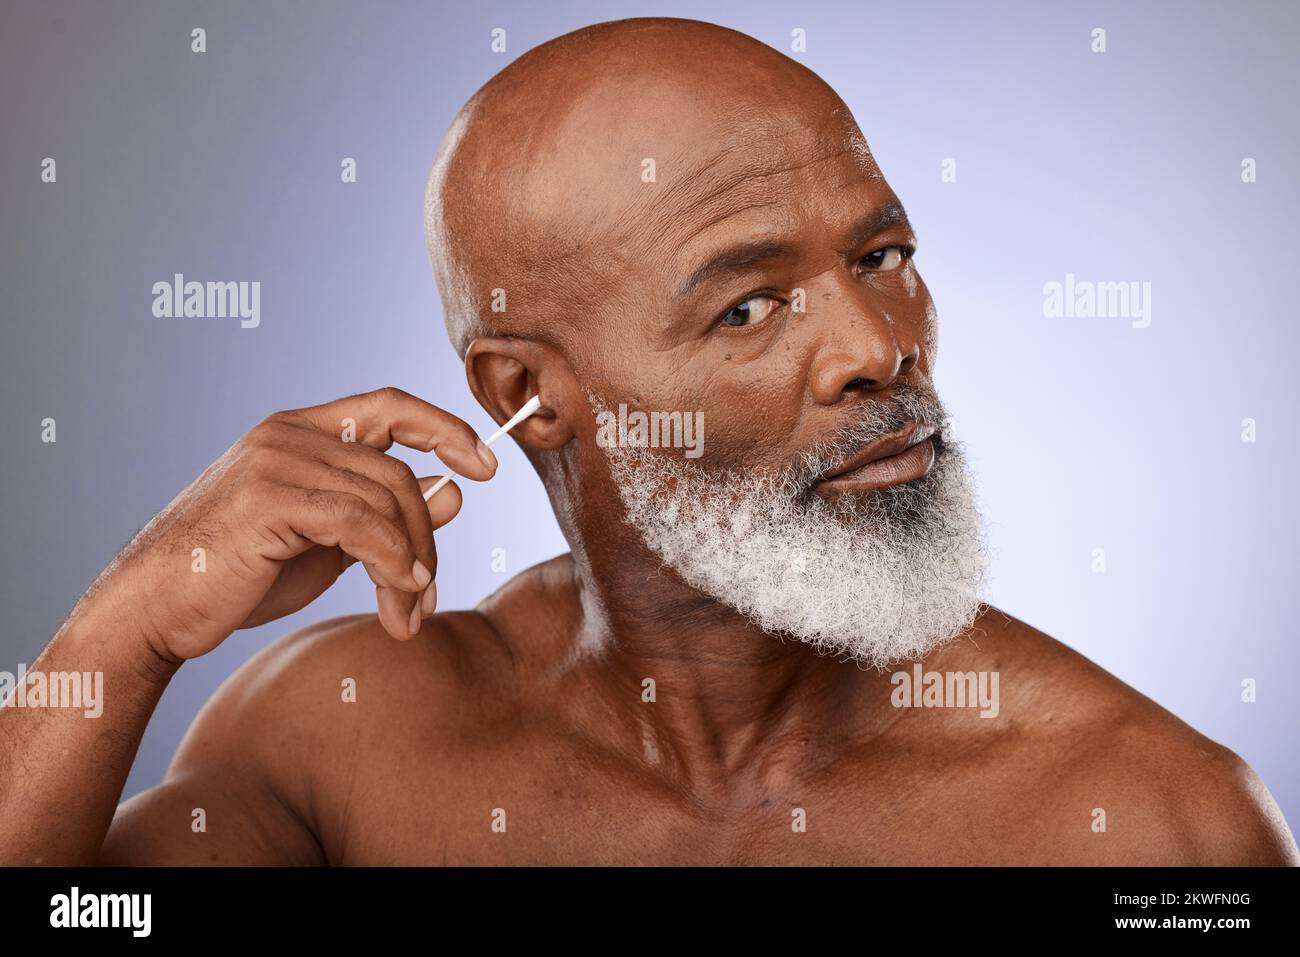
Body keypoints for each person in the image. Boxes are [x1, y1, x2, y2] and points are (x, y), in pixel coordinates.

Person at [2, 17, 1294, 866]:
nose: (877, 346)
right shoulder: (346, 751)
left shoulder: (1145, 823)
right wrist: (132, 625)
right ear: (528, 389)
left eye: (883, 255)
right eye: (748, 303)